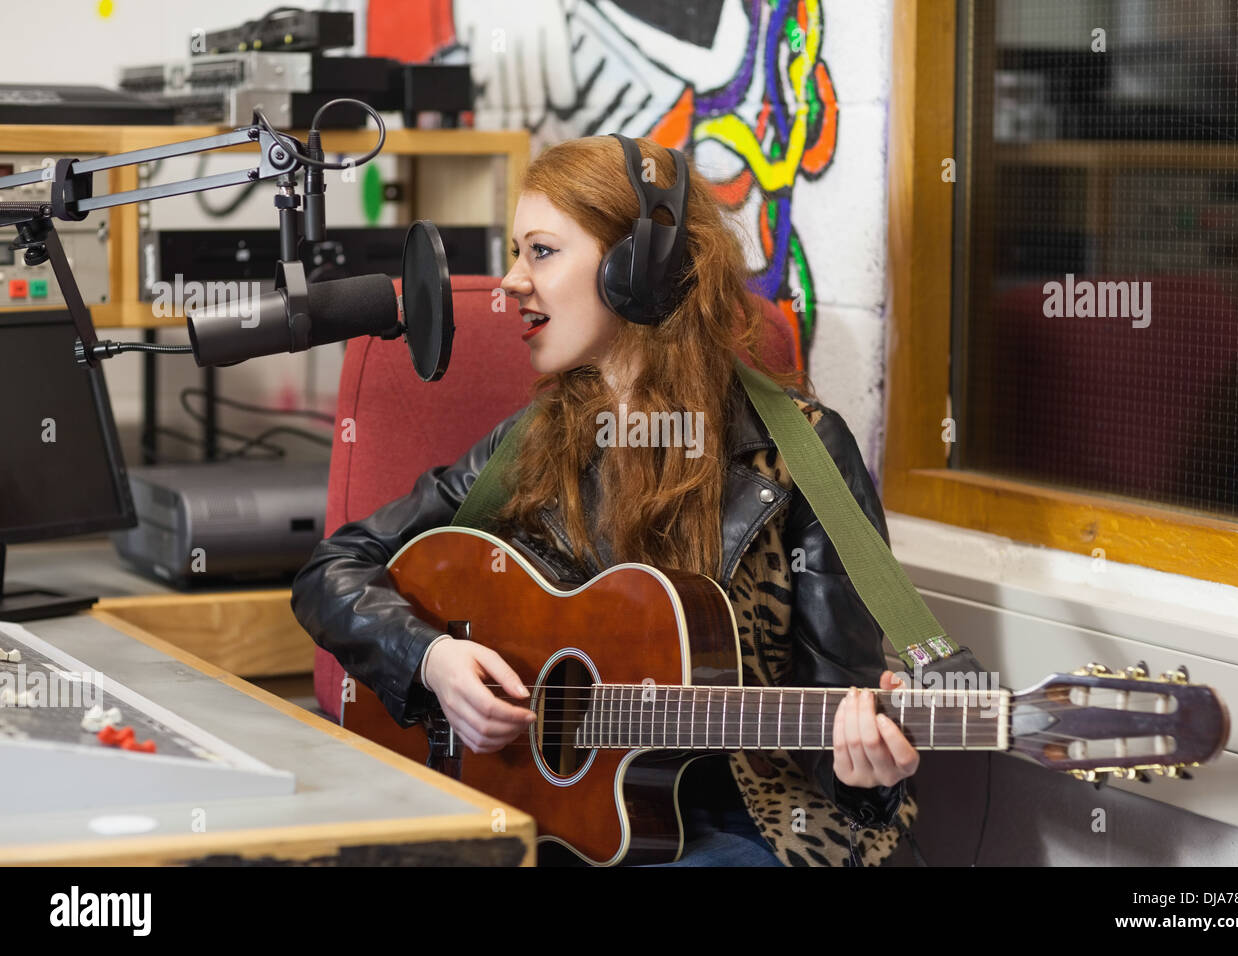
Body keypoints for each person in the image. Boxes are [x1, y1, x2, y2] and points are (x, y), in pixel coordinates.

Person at [290, 134, 920, 867]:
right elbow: (332, 569)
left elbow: (840, 711)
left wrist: (866, 775)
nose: (511, 282)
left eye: (541, 252)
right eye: (515, 252)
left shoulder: (802, 456)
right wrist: (431, 658)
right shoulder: (530, 443)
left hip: (734, 822)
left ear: (638, 270)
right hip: (541, 802)